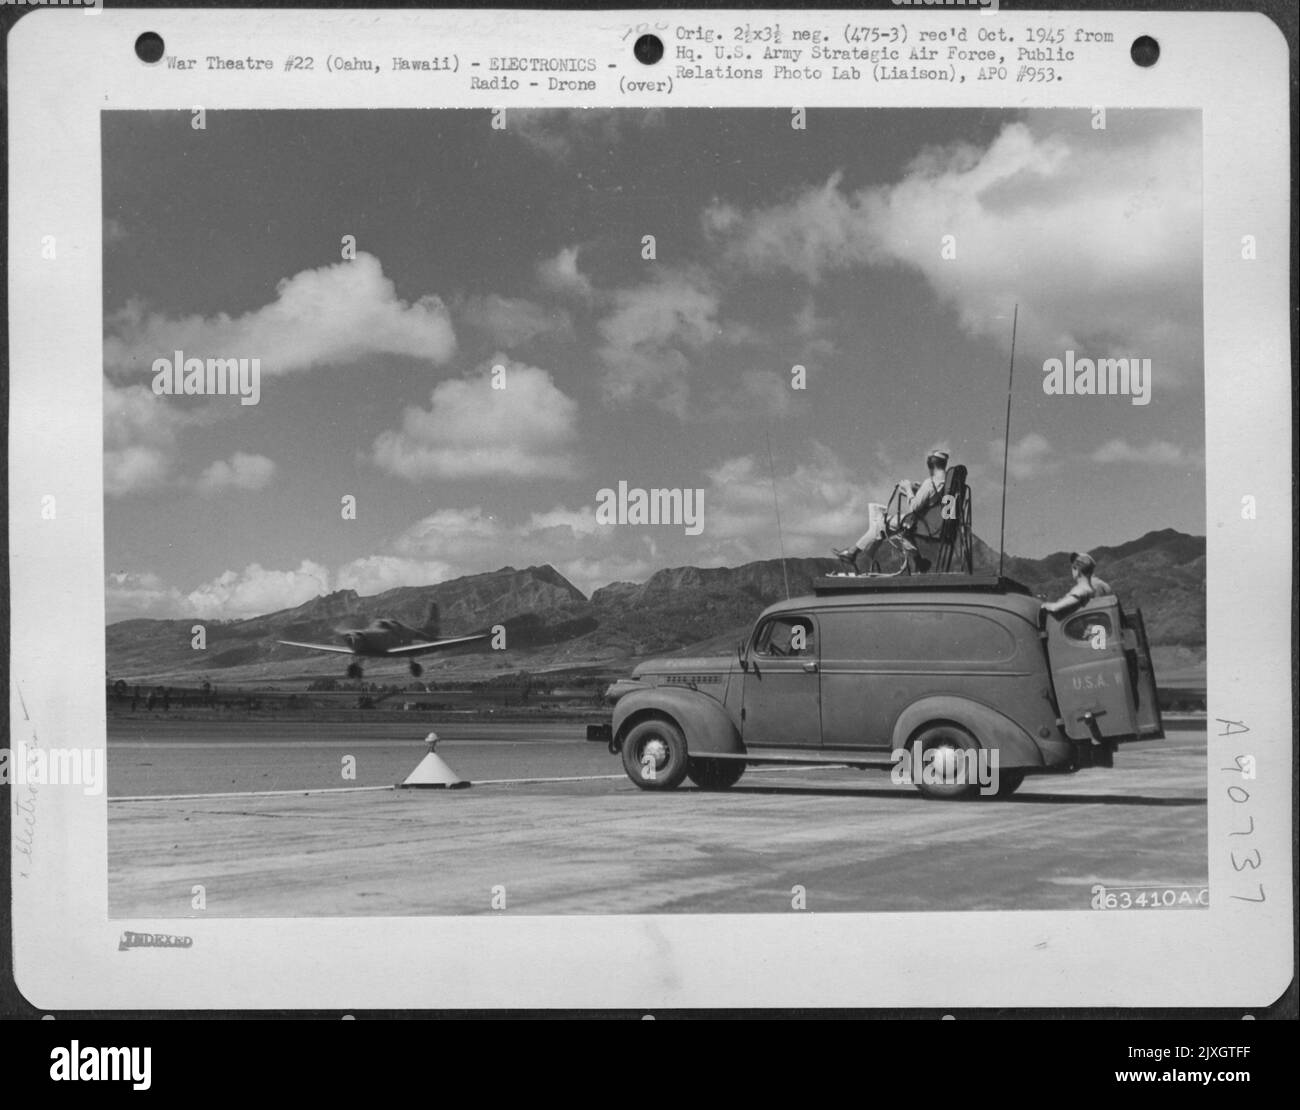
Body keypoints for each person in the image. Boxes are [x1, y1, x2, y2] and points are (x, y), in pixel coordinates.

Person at [834, 449, 949, 573]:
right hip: (938, 523)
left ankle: (852, 553)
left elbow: (914, 506)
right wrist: (919, 489)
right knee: (902, 531)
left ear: (931, 464)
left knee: (881, 523)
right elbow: (932, 499)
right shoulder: (946, 482)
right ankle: (919, 562)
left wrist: (908, 488)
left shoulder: (930, 483)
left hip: (923, 524)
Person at [1041, 551, 1112, 617]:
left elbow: (1056, 607)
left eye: (1074, 567)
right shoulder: (1098, 586)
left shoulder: (1084, 588)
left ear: (1077, 571)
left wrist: (1050, 606)